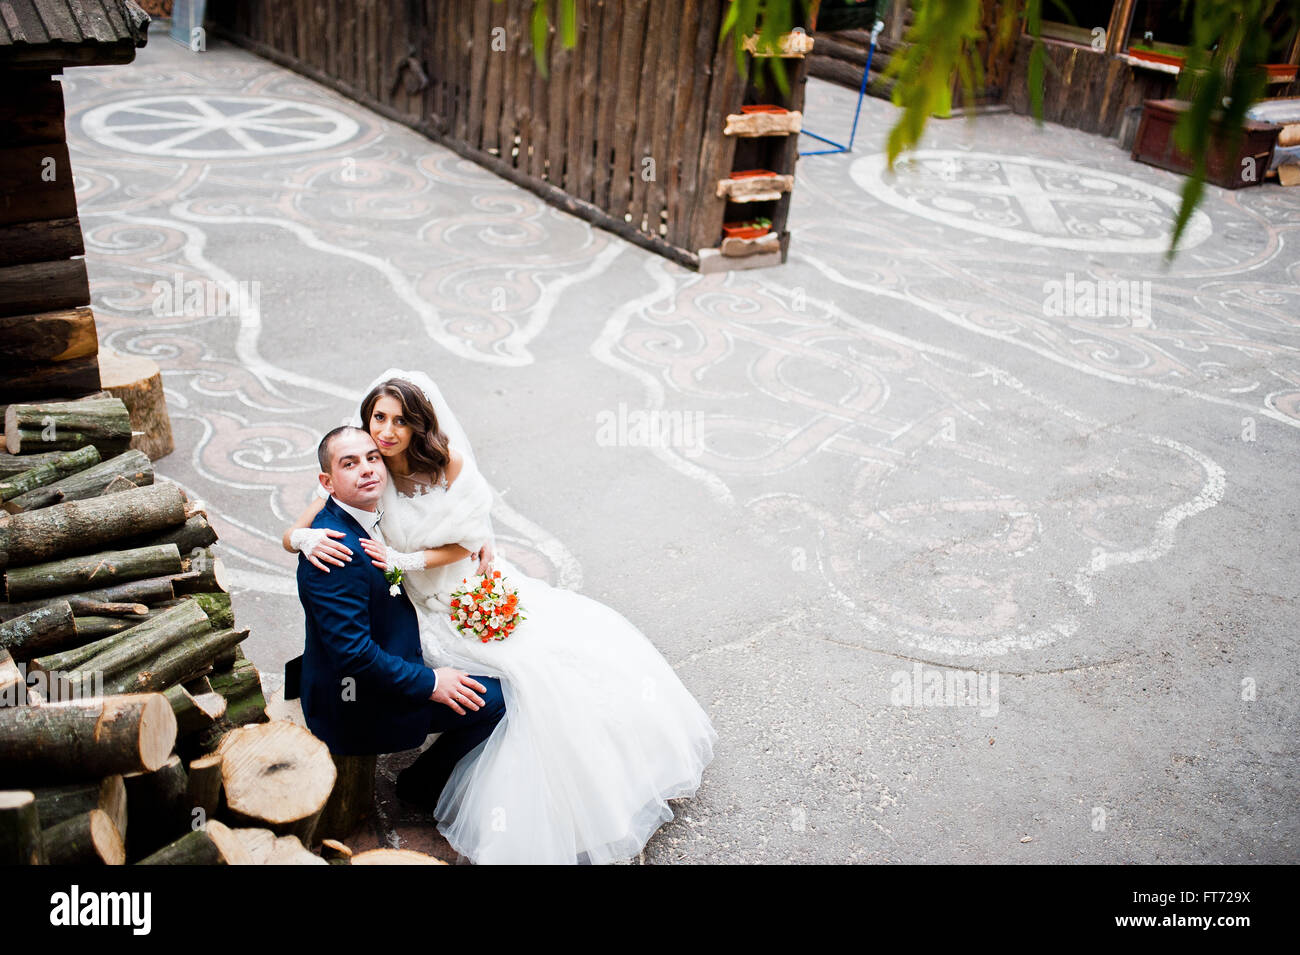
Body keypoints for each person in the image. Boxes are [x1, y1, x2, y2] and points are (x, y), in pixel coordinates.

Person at [285, 370, 717, 864]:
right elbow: (347, 637)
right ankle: (426, 781)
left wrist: (468, 542)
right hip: (390, 647)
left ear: (418, 425)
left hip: (447, 589)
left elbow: (466, 527)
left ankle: (599, 761)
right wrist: (302, 538)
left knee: (549, 662)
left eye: (399, 421)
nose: (383, 434)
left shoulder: (401, 465)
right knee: (508, 693)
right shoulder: (350, 501)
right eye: (378, 418)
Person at [292, 427, 507, 811]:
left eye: (372, 458)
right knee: (497, 700)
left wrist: (476, 538)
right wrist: (430, 682)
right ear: (327, 482)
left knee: (499, 661)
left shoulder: (365, 512)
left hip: (390, 648)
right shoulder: (334, 555)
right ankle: (420, 785)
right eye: (350, 463)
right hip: (354, 703)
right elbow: (354, 656)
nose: (367, 469)